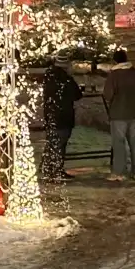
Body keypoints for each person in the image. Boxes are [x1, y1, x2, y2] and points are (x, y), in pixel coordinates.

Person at [103, 49, 135, 181]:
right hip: (133, 112)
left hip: (118, 113)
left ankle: (119, 171)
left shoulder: (114, 75)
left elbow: (108, 95)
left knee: (119, 143)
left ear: (115, 61)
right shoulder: (134, 72)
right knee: (134, 143)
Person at [42, 53, 83, 181]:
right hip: (64, 116)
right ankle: (56, 171)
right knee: (60, 144)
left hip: (51, 114)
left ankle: (48, 169)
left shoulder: (48, 77)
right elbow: (77, 95)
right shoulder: (66, 79)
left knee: (52, 142)